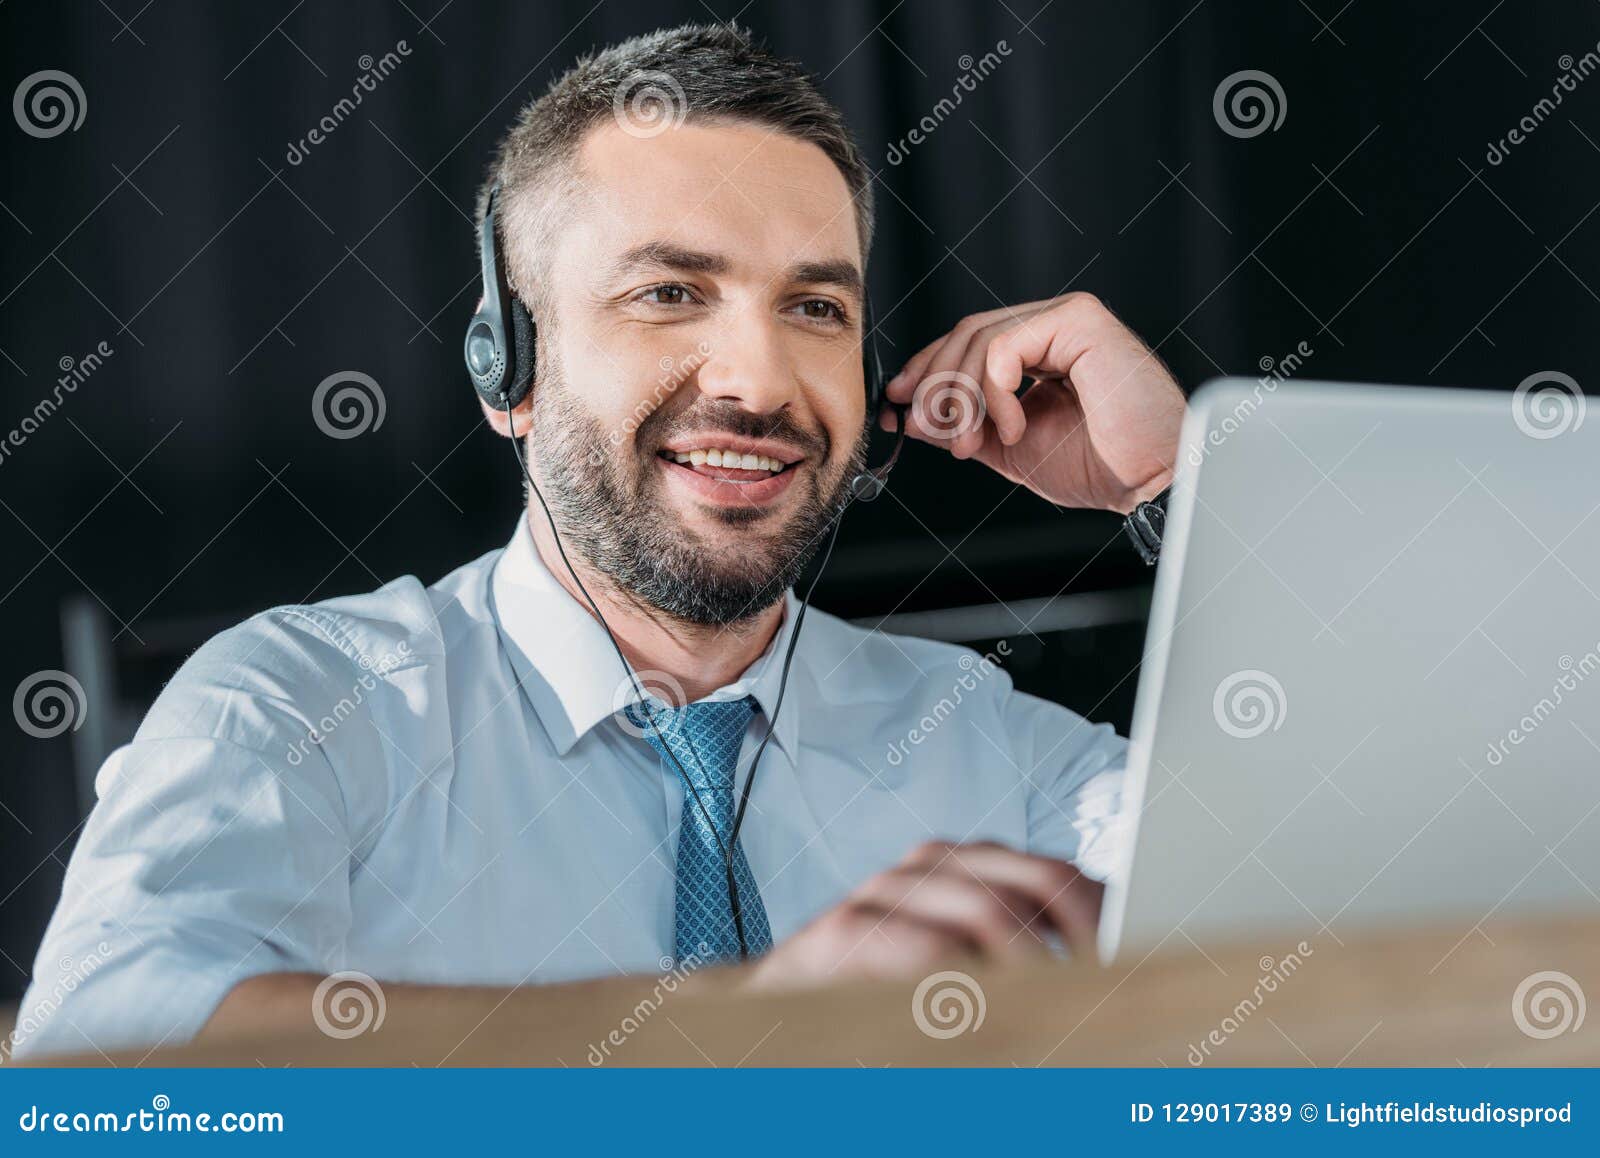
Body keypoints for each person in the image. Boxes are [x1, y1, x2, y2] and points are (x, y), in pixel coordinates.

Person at [14, 22, 1183, 1059]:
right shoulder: (301, 709)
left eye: (816, 308)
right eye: (670, 294)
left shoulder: (992, 744)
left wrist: (1173, 484)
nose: (759, 380)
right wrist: (741, 1029)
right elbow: (107, 1062)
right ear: (505, 369)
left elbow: (1347, 915)